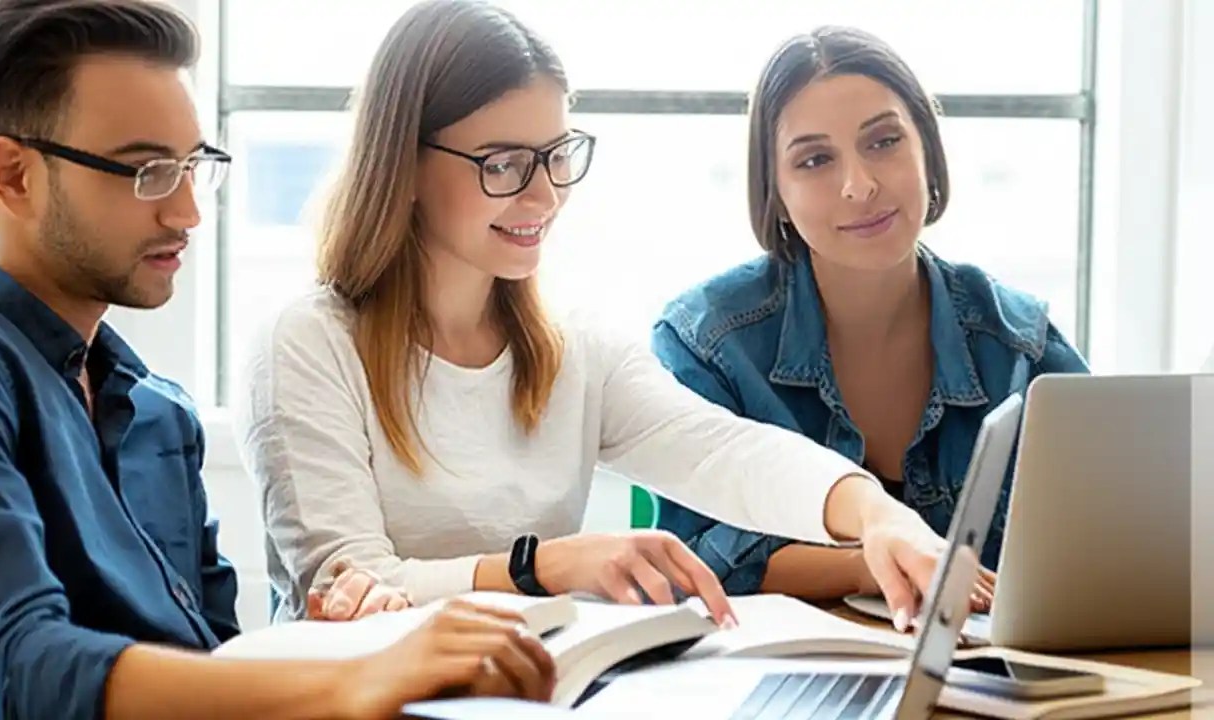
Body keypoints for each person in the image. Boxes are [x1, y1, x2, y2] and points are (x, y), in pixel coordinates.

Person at [234, 0, 960, 637]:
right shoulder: (307, 344)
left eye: (556, 156)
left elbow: (723, 452)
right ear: (405, 165)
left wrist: (876, 514)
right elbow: (348, 589)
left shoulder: (572, 348)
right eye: (503, 164)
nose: (544, 195)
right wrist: (541, 567)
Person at [0, 1, 553, 718]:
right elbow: (16, 670)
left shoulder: (159, 413)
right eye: (147, 171)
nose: (188, 213)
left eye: (193, 167)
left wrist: (343, 640)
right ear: (14, 176)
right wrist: (350, 681)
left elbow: (215, 666)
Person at [651, 26, 1090, 605]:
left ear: (927, 151)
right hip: (795, 659)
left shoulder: (1018, 345)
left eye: (883, 142)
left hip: (990, 656)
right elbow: (688, 562)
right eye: (815, 160)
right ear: (776, 192)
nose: (859, 186)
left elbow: (1113, 533)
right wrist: (871, 564)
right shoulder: (707, 342)